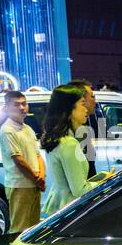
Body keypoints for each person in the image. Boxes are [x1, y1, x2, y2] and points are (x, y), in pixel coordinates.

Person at [40, 83, 93, 215]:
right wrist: (105, 183)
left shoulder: (55, 138)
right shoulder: (69, 143)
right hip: (71, 210)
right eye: (82, 103)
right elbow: (80, 190)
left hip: (60, 206)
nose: (86, 109)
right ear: (70, 109)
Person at [0, 90, 44, 232]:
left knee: (33, 227)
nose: (22, 108)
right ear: (6, 108)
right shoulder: (7, 130)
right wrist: (37, 179)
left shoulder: (27, 128)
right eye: (16, 105)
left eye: (24, 104)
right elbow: (19, 160)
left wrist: (41, 175)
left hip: (33, 184)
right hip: (20, 185)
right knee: (19, 228)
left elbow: (37, 155)